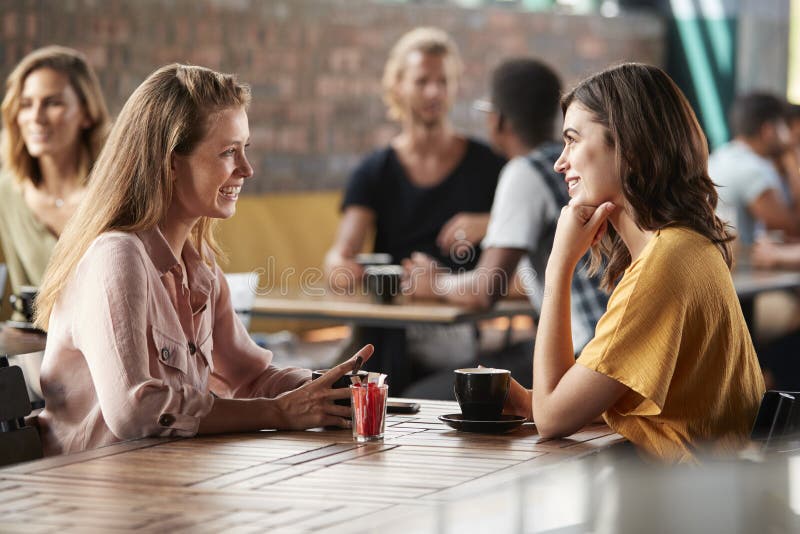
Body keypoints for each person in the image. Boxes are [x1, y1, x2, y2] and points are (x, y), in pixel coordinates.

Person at [33, 64, 374, 456]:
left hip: (166, 483)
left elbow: (251, 376)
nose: (246, 169)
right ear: (171, 163)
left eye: (245, 149)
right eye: (228, 152)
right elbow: (134, 410)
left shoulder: (201, 267)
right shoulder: (117, 255)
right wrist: (278, 412)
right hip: (85, 493)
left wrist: (331, 387)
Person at [502, 63, 765, 462]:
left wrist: (559, 263)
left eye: (573, 141)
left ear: (628, 147)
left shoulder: (665, 264)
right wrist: (530, 403)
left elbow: (552, 418)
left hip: (687, 506)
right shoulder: (688, 246)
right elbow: (579, 405)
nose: (561, 163)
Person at [402, 58, 607, 398]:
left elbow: (486, 288)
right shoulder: (574, 164)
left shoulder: (524, 172)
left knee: (418, 397)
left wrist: (435, 283)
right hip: (613, 347)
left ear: (498, 120)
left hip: (585, 356)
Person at [323, 27, 505, 394]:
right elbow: (339, 259)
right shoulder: (374, 170)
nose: (434, 92)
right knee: (358, 354)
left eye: (443, 81)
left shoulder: (488, 165)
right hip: (390, 319)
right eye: (422, 81)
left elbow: (527, 240)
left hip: (452, 318)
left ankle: (363, 397)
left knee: (358, 365)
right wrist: (348, 269)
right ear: (398, 87)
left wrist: (488, 224)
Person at [0, 45, 110, 315]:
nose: (36, 118)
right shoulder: (6, 192)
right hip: (30, 347)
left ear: (86, 113)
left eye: (53, 103)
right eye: (26, 104)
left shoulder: (115, 193)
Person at [709, 92, 798, 246]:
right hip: (733, 264)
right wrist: (793, 165)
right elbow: (793, 227)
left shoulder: (724, 154)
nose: (788, 137)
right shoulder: (752, 169)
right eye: (783, 126)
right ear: (768, 130)